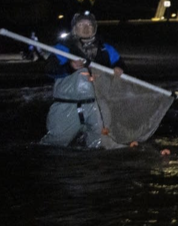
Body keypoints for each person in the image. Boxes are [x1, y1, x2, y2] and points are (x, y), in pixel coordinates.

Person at [43, 11, 125, 147]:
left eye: (89, 25)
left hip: (97, 106)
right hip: (67, 106)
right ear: (74, 28)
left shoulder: (105, 49)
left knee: (102, 145)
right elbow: (49, 70)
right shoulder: (63, 48)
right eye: (81, 25)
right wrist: (70, 67)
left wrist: (119, 68)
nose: (86, 28)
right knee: (55, 144)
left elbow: (119, 63)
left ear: (94, 27)